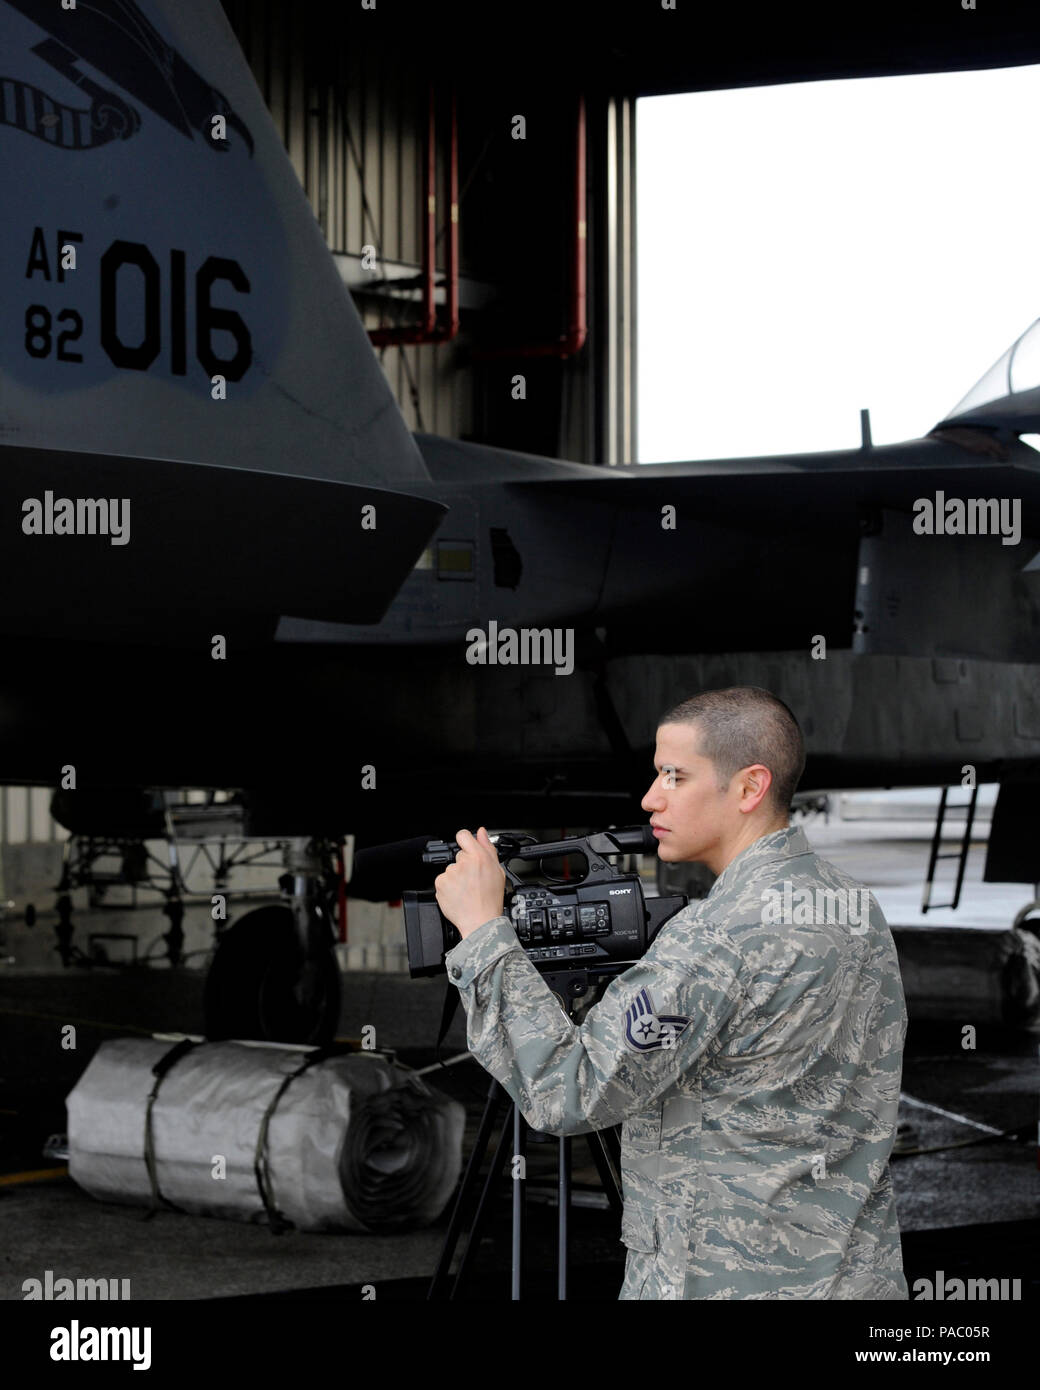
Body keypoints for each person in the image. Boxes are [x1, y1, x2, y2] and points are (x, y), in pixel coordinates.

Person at [434, 686, 908, 1299]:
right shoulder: (851, 905)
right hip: (855, 1279)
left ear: (748, 787)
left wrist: (482, 934)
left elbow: (568, 1089)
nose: (649, 797)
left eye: (674, 777)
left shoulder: (716, 937)